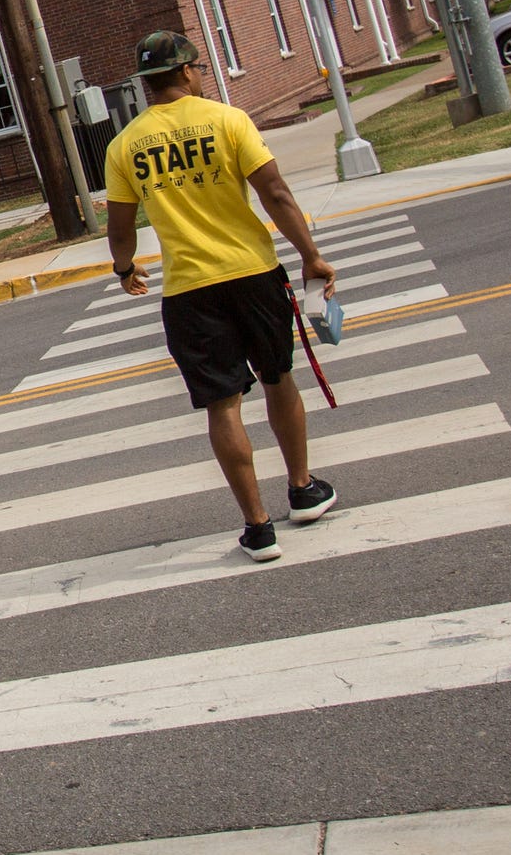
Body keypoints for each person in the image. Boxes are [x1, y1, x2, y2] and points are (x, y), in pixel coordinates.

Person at [102, 31, 340, 561]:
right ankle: (302, 489)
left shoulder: (125, 146)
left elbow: (120, 228)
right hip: (253, 273)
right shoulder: (228, 120)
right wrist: (311, 255)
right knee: (278, 377)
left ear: (148, 82)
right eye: (199, 69)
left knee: (222, 404)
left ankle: (258, 527)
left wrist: (124, 269)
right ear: (187, 71)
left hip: (190, 291)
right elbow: (275, 192)